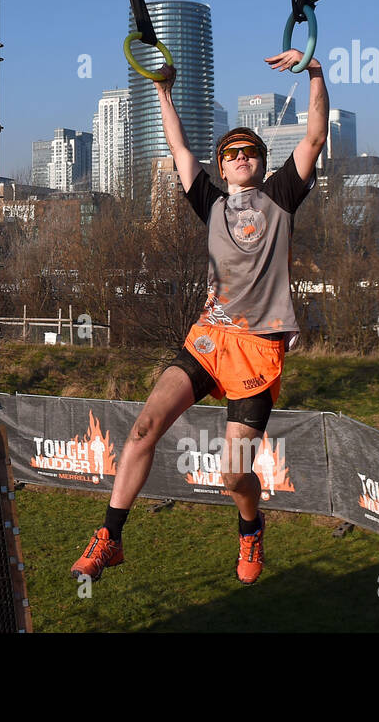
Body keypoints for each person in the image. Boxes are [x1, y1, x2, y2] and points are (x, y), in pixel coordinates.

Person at [70, 50, 327, 587]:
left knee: (233, 473)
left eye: (249, 151)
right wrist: (164, 89)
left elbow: (314, 137)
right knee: (142, 428)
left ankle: (250, 526)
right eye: (230, 152)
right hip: (209, 339)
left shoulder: (281, 196)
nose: (239, 157)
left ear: (260, 160)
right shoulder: (209, 201)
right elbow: (180, 149)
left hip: (258, 348)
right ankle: (110, 537)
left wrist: (314, 71)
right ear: (222, 162)